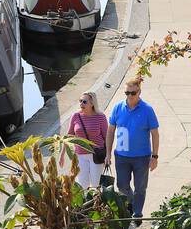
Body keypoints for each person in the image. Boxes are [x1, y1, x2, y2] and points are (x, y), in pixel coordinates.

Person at [107, 78, 161, 218]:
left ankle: (137, 214)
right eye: (127, 93)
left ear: (139, 92)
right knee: (122, 186)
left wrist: (154, 156)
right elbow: (110, 131)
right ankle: (131, 204)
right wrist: (108, 154)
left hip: (141, 157)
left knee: (140, 188)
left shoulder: (147, 110)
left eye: (133, 93)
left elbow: (155, 134)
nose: (130, 96)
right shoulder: (118, 108)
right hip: (121, 156)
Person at [68, 93, 109, 189]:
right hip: (80, 155)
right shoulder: (75, 116)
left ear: (92, 103)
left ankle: (96, 203)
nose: (81, 103)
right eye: (80, 101)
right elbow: (69, 136)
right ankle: (85, 204)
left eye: (84, 101)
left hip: (97, 154)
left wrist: (108, 155)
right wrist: (67, 153)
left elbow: (107, 137)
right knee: (83, 185)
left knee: (96, 185)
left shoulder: (100, 117)